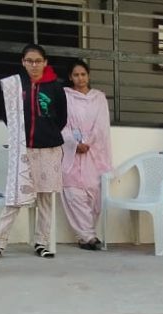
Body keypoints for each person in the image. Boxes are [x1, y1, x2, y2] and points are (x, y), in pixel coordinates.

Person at [0, 44, 68, 260]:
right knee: (13, 198)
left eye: (38, 61)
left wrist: (45, 133)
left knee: (45, 198)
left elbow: (61, 118)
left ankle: (41, 242)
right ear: (23, 62)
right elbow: (7, 116)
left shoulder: (55, 87)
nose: (34, 65)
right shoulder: (14, 85)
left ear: (45, 62)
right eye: (29, 61)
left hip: (49, 150)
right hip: (22, 149)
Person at [60, 59, 112, 251]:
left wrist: (87, 142)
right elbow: (62, 123)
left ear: (88, 76)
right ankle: (87, 236)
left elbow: (101, 125)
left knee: (94, 193)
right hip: (71, 152)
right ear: (70, 77)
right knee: (74, 193)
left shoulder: (98, 97)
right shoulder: (65, 96)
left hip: (93, 152)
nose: (80, 78)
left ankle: (87, 235)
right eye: (76, 75)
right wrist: (74, 143)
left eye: (83, 74)